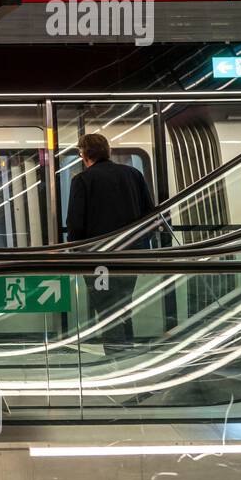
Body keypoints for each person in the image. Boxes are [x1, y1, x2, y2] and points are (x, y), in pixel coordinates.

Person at [66, 133, 154, 351]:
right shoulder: (133, 174)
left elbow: (76, 224)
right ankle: (126, 351)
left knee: (106, 309)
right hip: (131, 256)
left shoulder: (82, 180)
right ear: (108, 151)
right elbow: (151, 216)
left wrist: (77, 253)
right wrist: (140, 243)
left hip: (98, 260)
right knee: (124, 305)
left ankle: (117, 357)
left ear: (83, 154)